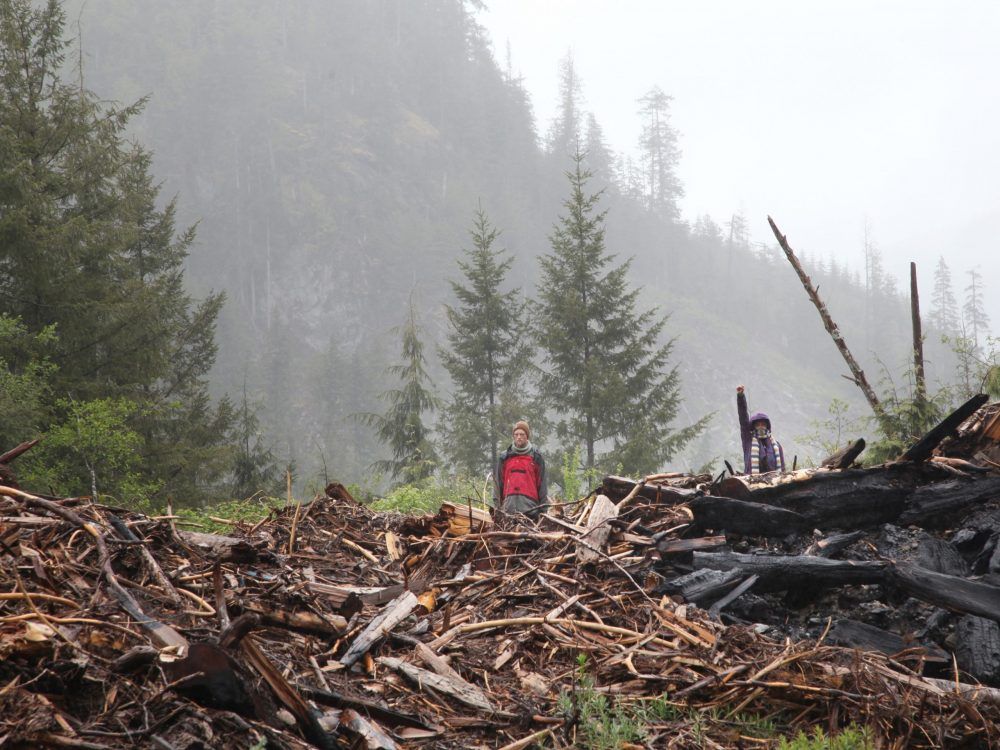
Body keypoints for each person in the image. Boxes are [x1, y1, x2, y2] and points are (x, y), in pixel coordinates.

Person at [494, 420, 547, 519]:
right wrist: (497, 509)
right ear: (513, 436)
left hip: (531, 513)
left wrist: (543, 511)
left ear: (527, 436)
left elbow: (542, 487)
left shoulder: (537, 457)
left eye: (522, 434)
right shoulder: (504, 457)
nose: (519, 437)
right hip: (508, 512)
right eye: (516, 434)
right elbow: (498, 485)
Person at [737, 385, 785, 475]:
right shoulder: (748, 441)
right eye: (758, 424)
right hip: (752, 483)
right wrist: (741, 397)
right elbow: (743, 419)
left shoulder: (776, 446)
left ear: (767, 426)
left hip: (773, 483)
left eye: (763, 424)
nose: (761, 426)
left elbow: (782, 468)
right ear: (753, 426)